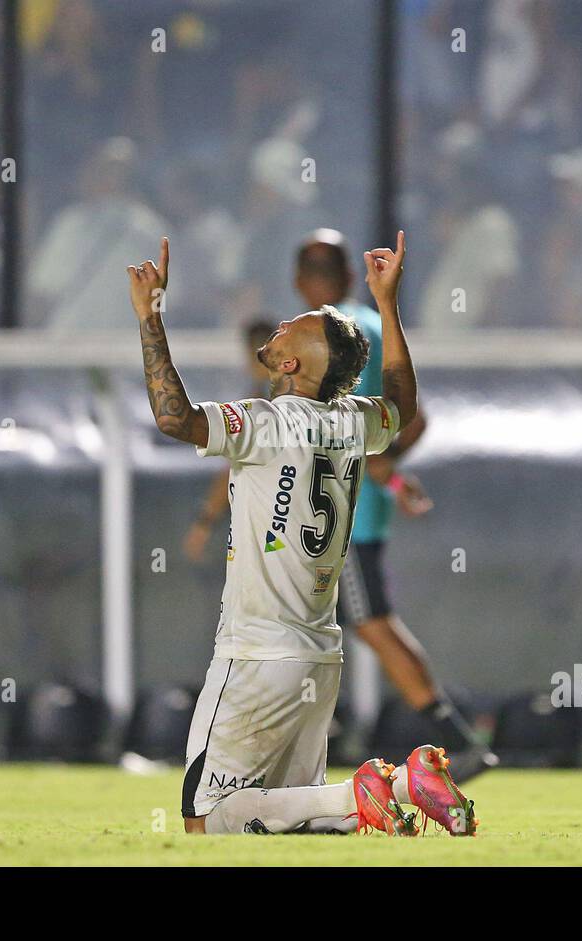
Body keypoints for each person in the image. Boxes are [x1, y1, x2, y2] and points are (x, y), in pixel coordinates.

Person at [129, 233, 477, 836]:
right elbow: (401, 401)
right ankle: (396, 787)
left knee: (205, 820)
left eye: (294, 326)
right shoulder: (353, 422)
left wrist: (150, 317)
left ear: (290, 364)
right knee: (293, 824)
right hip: (320, 658)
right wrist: (388, 307)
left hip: (258, 655)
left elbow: (172, 417)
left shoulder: (261, 422)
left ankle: (374, 787)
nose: (281, 324)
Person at [295, 229, 496, 782]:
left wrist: (377, 466)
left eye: (321, 265)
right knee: (319, 625)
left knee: (370, 623)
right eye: (310, 266)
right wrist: (384, 464)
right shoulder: (341, 329)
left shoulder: (338, 332)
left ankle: (457, 737)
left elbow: (362, 423)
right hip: (333, 507)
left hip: (342, 514)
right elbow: (403, 418)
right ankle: (314, 738)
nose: (315, 277)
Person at [181, 316, 277, 563]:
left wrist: (204, 522)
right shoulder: (304, 396)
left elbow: (234, 466)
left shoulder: (259, 404)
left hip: (275, 524)